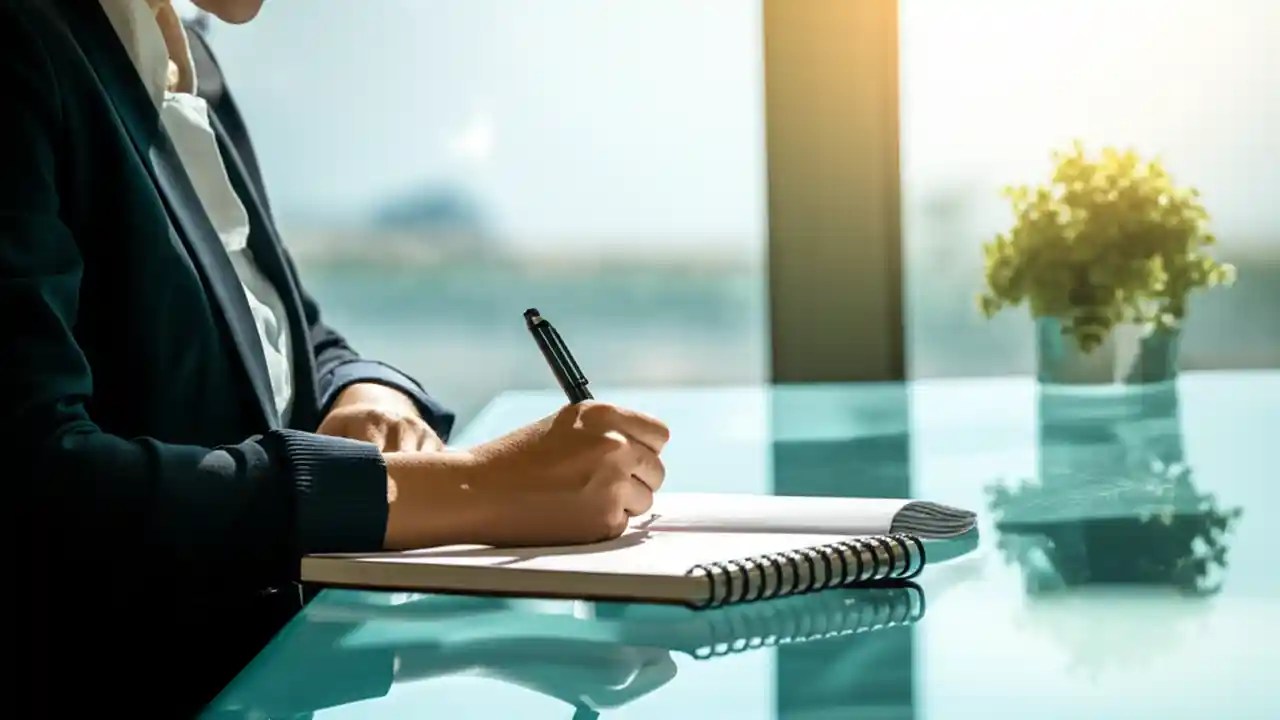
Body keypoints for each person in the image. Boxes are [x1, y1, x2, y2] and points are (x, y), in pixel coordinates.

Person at [3, 0, 669, 713]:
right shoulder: (20, 47)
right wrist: (476, 489)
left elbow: (279, 329)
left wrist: (368, 396)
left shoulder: (185, 58)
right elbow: (37, 485)